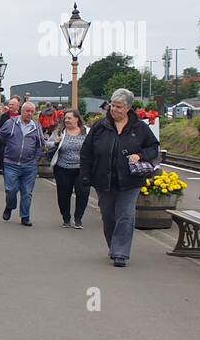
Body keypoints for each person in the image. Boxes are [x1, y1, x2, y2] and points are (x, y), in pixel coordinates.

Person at [79, 88, 160, 268]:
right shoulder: (100, 127)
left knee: (125, 215)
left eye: (119, 107)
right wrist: (85, 175)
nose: (114, 109)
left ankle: (121, 253)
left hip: (130, 181)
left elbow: (154, 148)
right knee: (108, 216)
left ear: (128, 108)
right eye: (113, 105)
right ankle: (113, 246)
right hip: (103, 180)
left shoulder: (140, 128)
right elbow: (86, 152)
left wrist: (140, 155)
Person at [0, 101, 45, 226]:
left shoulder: (36, 126)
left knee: (27, 192)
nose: (29, 114)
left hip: (29, 165)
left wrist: (36, 159)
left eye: (32, 111)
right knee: (11, 190)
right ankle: (9, 206)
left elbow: (41, 145)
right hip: (11, 163)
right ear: (21, 111)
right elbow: (1, 136)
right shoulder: (11, 123)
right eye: (27, 111)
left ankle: (25, 216)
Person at [47, 110, 89, 228]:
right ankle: (66, 218)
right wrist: (55, 142)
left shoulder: (86, 131)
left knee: (83, 193)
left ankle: (78, 218)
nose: (66, 120)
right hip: (62, 168)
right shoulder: (60, 132)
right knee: (63, 194)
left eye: (69, 118)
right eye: (65, 118)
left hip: (81, 168)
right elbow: (48, 144)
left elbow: (93, 146)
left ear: (77, 119)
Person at [0, 96, 19, 175]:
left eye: (12, 105)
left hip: (18, 142)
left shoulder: (21, 116)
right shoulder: (4, 116)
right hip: (6, 143)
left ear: (17, 106)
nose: (10, 106)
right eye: (9, 104)